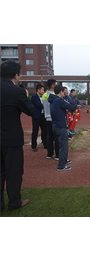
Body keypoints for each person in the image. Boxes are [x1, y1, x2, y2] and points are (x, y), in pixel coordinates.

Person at [1, 60, 34, 211]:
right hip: (12, 140)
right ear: (16, 75)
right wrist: (25, 96)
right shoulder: (17, 91)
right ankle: (14, 203)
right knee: (13, 172)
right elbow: (31, 111)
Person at [48, 85, 77, 171]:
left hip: (56, 125)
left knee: (62, 145)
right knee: (63, 146)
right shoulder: (59, 100)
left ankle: (63, 160)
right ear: (61, 92)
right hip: (60, 126)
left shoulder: (53, 100)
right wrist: (75, 107)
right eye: (64, 91)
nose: (64, 93)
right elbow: (70, 106)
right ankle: (61, 166)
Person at [42, 79, 59, 160]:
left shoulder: (44, 95)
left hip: (47, 118)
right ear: (52, 85)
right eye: (56, 84)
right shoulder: (55, 95)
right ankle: (57, 154)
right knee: (57, 137)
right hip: (54, 118)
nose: (57, 85)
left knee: (49, 136)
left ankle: (49, 153)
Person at [31, 84, 47, 152]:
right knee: (35, 131)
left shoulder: (43, 97)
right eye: (42, 90)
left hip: (43, 115)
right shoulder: (34, 97)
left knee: (45, 130)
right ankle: (34, 145)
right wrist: (45, 105)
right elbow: (39, 105)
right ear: (38, 90)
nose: (43, 91)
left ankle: (45, 143)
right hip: (36, 116)